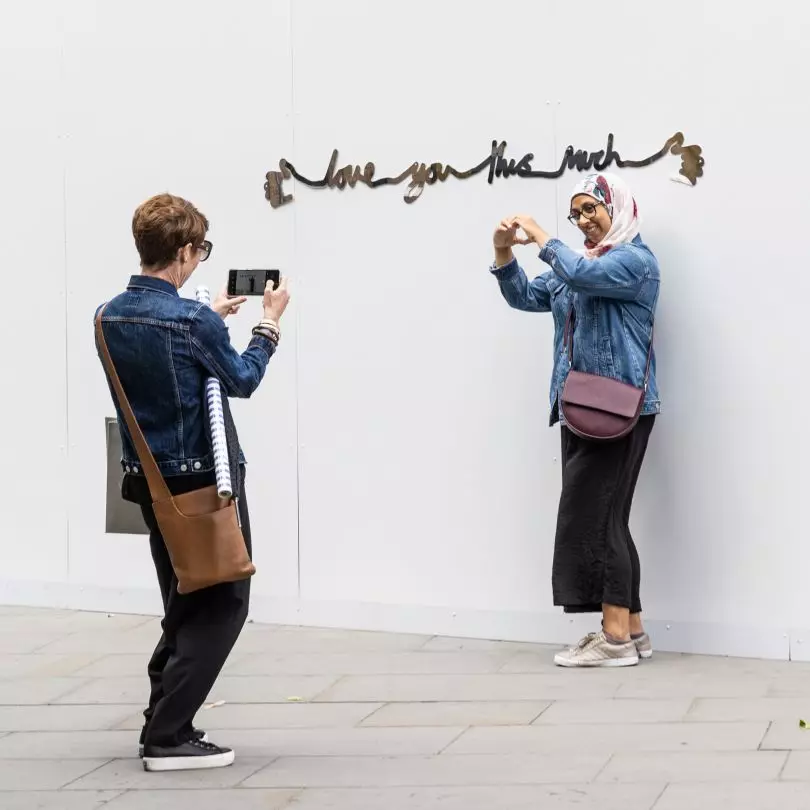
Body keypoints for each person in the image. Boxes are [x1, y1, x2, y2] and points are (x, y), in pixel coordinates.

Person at [94, 193, 290, 770]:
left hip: (148, 482)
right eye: (200, 249)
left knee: (184, 597)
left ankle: (162, 720)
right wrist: (267, 323)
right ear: (183, 250)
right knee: (224, 601)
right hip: (204, 486)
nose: (201, 259)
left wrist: (211, 324)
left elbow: (162, 370)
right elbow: (243, 379)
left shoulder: (109, 313)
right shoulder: (189, 318)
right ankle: (169, 737)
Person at [490, 173, 659, 668]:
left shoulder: (635, 262)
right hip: (579, 407)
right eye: (577, 213)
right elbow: (526, 295)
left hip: (620, 408)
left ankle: (613, 640)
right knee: (609, 521)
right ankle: (631, 629)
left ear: (618, 208)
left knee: (596, 521)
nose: (585, 219)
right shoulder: (578, 262)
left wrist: (542, 235)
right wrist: (503, 253)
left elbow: (581, 276)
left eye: (592, 209)